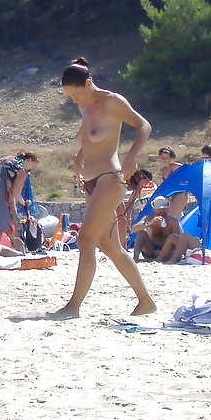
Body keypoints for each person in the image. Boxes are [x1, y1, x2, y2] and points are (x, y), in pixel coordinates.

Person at [49, 57, 156, 318]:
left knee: (85, 239)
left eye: (76, 93)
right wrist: (79, 159)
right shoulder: (84, 105)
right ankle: (146, 301)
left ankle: (73, 307)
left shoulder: (112, 101)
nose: (75, 100)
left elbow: (144, 125)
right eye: (70, 96)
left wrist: (131, 157)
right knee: (112, 248)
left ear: (88, 83)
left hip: (111, 177)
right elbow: (90, 140)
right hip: (91, 181)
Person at [0, 151, 38, 250]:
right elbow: (15, 191)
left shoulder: (9, 158)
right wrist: (24, 203)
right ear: (29, 160)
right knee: (0, 220)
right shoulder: (21, 170)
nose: (31, 168)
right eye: (32, 165)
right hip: (0, 190)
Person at [130, 195, 182, 262]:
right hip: (151, 249)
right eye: (159, 209)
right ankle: (135, 257)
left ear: (168, 208)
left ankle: (159, 258)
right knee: (141, 233)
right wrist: (148, 223)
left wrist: (163, 251)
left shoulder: (172, 221)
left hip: (167, 251)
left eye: (164, 208)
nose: (162, 211)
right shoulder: (148, 218)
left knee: (173, 237)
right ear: (154, 209)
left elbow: (176, 241)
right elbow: (133, 229)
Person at [116, 169, 153, 248]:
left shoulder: (138, 187)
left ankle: (122, 245)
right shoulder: (126, 179)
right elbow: (118, 199)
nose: (145, 185)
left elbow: (131, 201)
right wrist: (124, 214)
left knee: (123, 221)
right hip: (113, 197)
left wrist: (128, 216)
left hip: (118, 199)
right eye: (145, 182)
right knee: (120, 218)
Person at [157, 146, 188, 217]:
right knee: (172, 216)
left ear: (171, 158)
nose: (164, 160)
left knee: (176, 216)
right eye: (162, 158)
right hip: (170, 195)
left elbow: (187, 172)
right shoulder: (162, 170)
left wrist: (186, 188)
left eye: (166, 158)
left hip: (180, 194)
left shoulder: (175, 166)